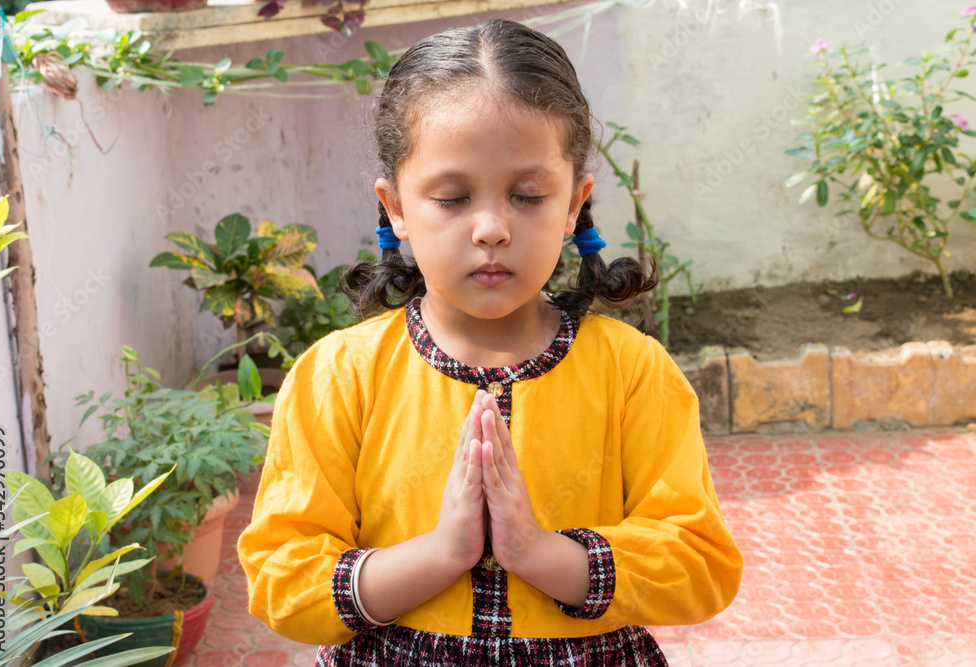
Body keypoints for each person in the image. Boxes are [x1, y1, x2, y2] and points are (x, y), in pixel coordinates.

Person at [238, 18, 742, 666]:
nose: (491, 228)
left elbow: (700, 564)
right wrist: (441, 552)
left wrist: (539, 551)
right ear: (396, 207)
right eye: (452, 198)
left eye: (528, 195)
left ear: (574, 204)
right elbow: (282, 581)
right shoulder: (340, 375)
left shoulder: (631, 370)